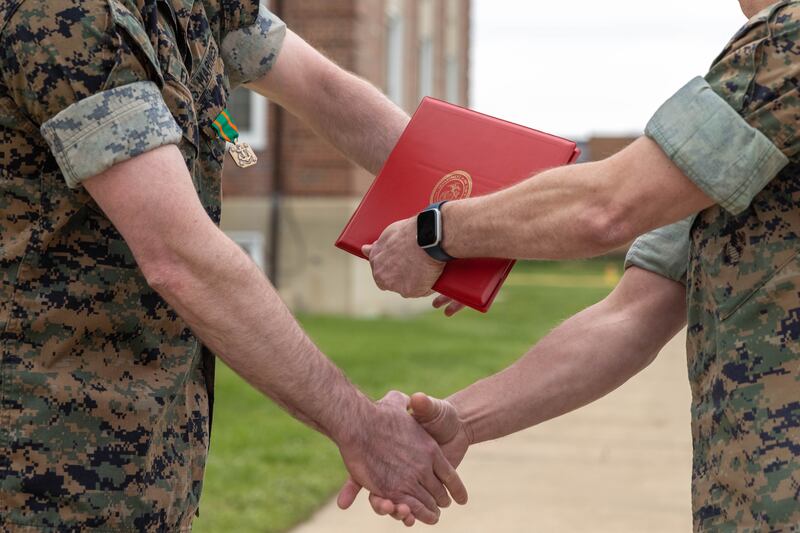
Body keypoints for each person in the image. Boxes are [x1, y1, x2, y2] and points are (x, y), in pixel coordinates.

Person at [0, 0, 466, 530]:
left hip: (148, 452)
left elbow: (323, 88)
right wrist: (360, 426)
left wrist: (466, 214)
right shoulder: (65, 17)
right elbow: (181, 255)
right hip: (39, 455)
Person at [348, 0, 800, 529]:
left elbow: (606, 207)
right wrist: (463, 421)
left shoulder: (784, 45)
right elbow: (632, 314)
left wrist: (436, 232)